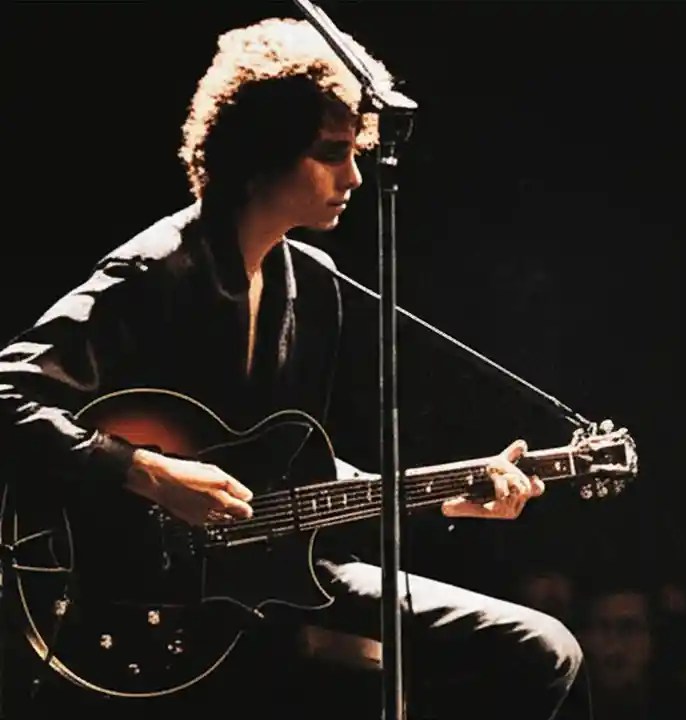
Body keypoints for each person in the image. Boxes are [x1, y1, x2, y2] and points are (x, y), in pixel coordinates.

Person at [0, 17, 587, 720]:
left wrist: (447, 496)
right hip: (138, 603)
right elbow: (8, 393)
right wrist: (148, 472)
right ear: (259, 152)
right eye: (331, 153)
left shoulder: (311, 287)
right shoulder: (156, 271)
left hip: (272, 581)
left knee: (542, 651)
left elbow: (296, 481)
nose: (356, 175)